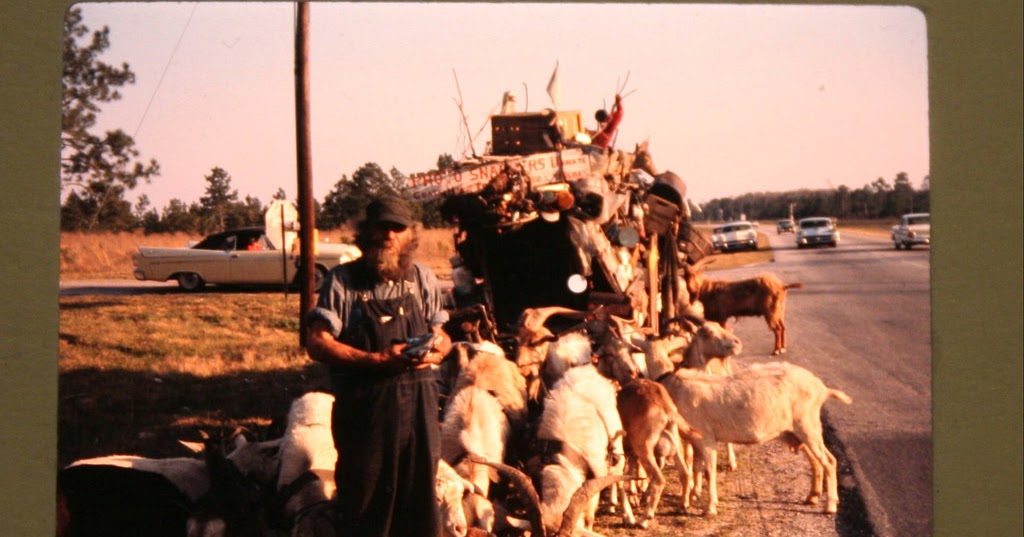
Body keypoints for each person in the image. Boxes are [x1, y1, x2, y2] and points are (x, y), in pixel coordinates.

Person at [304, 196, 452, 537]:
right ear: (366, 233)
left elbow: (441, 336)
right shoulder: (343, 281)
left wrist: (436, 353)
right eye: (381, 227)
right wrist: (376, 360)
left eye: (397, 228)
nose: (389, 235)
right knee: (365, 500)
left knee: (419, 498)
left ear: (409, 235)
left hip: (420, 408)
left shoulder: (422, 278)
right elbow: (318, 342)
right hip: (367, 409)